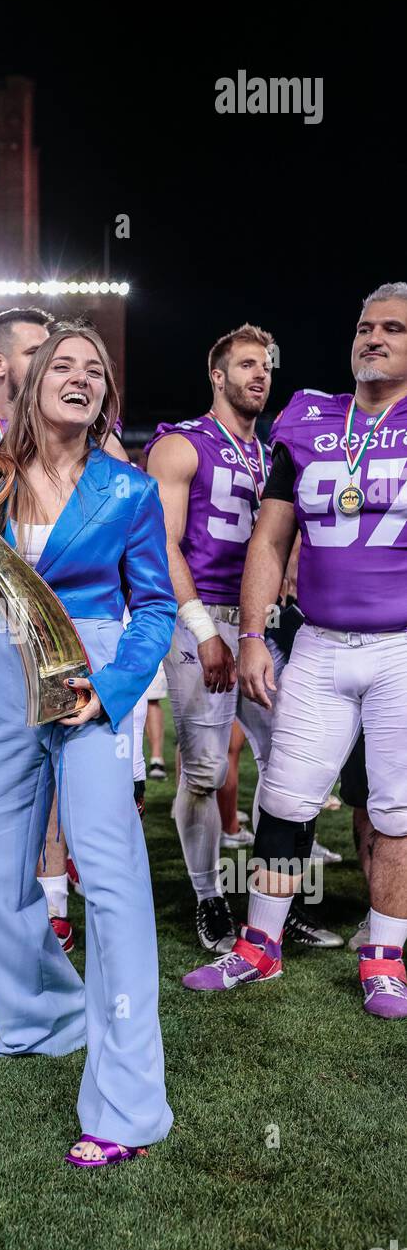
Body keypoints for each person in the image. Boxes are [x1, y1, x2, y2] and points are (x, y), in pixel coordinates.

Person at [0, 322, 176, 1167]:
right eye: (63, 366)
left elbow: (153, 607)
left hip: (94, 670)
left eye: (95, 370)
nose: (79, 378)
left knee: (109, 881)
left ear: (105, 395)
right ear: (36, 382)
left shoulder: (130, 489)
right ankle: (49, 1017)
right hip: (8, 664)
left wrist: (113, 693)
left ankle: (127, 1108)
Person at [185, 283, 407, 1014]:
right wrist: (251, 635)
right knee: (281, 801)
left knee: (397, 810)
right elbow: (271, 537)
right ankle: (260, 948)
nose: (374, 339)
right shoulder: (310, 417)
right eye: (366, 326)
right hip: (316, 640)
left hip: (400, 648)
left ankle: (384, 957)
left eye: (394, 330)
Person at [145, 324, 337, 953]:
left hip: (266, 624)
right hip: (204, 618)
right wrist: (203, 629)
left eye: (268, 366)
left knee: (295, 764)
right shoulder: (181, 444)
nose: (261, 375)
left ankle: (283, 904)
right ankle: (209, 901)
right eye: (247, 365)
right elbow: (163, 544)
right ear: (218, 375)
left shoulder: (276, 449)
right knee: (203, 771)